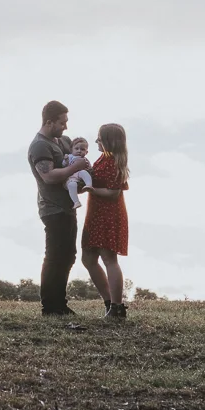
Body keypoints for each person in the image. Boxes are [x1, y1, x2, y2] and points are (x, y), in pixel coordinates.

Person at [28, 101, 91, 316]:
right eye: (62, 122)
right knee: (55, 256)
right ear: (48, 121)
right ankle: (50, 306)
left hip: (68, 207)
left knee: (68, 255)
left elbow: (76, 159)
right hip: (52, 208)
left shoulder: (63, 141)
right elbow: (49, 175)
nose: (66, 126)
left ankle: (60, 303)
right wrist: (76, 167)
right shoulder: (39, 146)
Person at [81, 123, 130, 319]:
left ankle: (117, 307)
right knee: (88, 258)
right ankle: (110, 302)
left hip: (108, 215)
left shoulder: (113, 162)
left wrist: (92, 190)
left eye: (99, 139)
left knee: (109, 259)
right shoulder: (103, 158)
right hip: (95, 214)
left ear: (109, 141)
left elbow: (113, 193)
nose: (95, 142)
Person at [62, 137, 93, 210]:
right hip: (71, 177)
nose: (79, 151)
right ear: (71, 149)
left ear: (86, 152)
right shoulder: (69, 157)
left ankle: (89, 185)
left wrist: (88, 167)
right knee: (71, 185)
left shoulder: (85, 159)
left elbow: (90, 169)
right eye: (76, 148)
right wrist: (66, 160)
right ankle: (76, 202)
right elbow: (64, 165)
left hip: (79, 174)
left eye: (82, 149)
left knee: (84, 172)